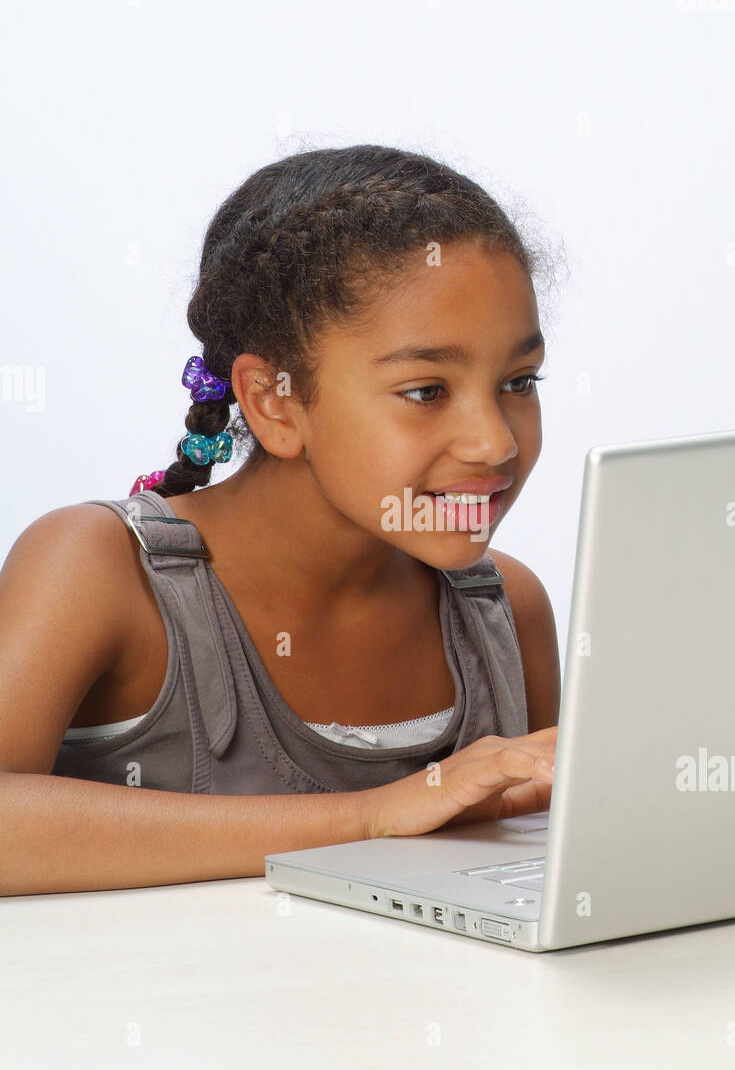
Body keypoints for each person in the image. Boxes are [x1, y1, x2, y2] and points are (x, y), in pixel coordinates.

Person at [0, 143, 561, 896]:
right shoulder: (99, 568)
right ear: (273, 400)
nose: (494, 441)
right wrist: (375, 816)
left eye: (518, 381)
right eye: (426, 390)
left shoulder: (501, 610)